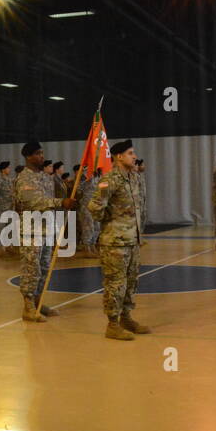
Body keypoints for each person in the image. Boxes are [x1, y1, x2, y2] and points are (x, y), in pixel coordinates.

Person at [88, 140, 148, 340]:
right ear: (119, 157)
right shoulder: (110, 179)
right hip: (114, 242)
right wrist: (113, 223)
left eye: (134, 152)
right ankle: (112, 324)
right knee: (115, 283)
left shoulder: (134, 178)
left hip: (132, 240)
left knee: (131, 282)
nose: (134, 156)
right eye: (130, 153)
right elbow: (95, 207)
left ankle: (126, 317)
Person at [14, 141, 77, 322]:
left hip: (47, 229)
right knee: (31, 269)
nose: (42, 156)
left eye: (42, 153)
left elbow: (55, 195)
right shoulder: (24, 178)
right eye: (38, 153)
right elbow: (33, 202)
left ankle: (38, 301)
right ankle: (28, 306)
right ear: (28, 157)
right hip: (31, 231)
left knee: (44, 269)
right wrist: (60, 202)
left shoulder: (45, 176)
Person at [0, 160, 15, 259]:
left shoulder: (9, 180)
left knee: (9, 228)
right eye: (8, 168)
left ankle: (8, 246)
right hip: (1, 208)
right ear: (3, 169)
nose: (9, 169)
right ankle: (0, 249)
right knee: (0, 229)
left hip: (10, 208)